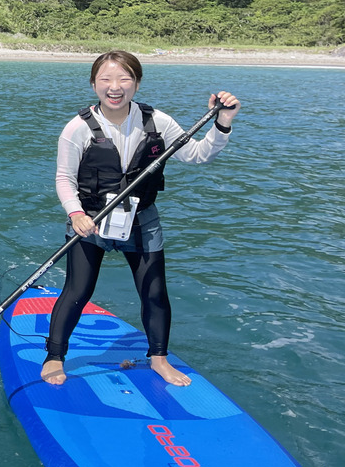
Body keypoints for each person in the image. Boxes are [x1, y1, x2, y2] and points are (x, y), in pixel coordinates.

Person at [42, 50, 240, 387]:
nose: (114, 87)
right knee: (78, 289)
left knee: (154, 292)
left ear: (136, 83)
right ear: (93, 84)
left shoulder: (158, 122)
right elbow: (64, 178)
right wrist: (75, 213)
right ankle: (55, 355)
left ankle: (159, 359)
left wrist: (223, 122)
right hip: (90, 219)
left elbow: (197, 155)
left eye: (124, 79)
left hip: (142, 218)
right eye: (106, 79)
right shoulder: (77, 128)